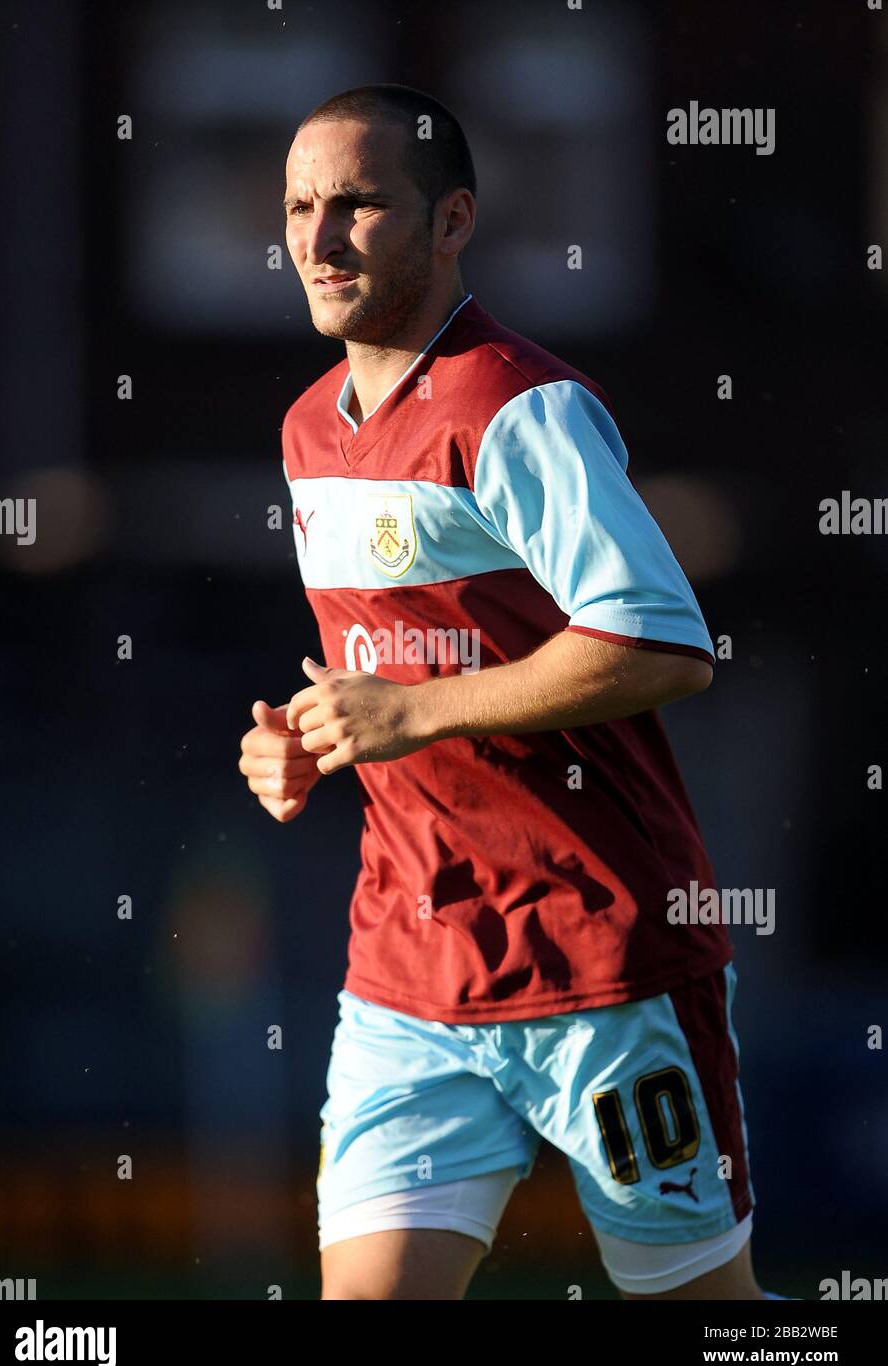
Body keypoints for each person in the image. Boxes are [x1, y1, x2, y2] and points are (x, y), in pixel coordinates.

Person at [239, 83, 782, 1301]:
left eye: (360, 206)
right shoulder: (304, 433)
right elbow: (391, 668)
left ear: (451, 221)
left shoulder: (517, 407)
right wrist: (309, 739)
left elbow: (659, 647)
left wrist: (409, 712)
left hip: (602, 965)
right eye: (299, 208)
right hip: (408, 967)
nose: (319, 241)